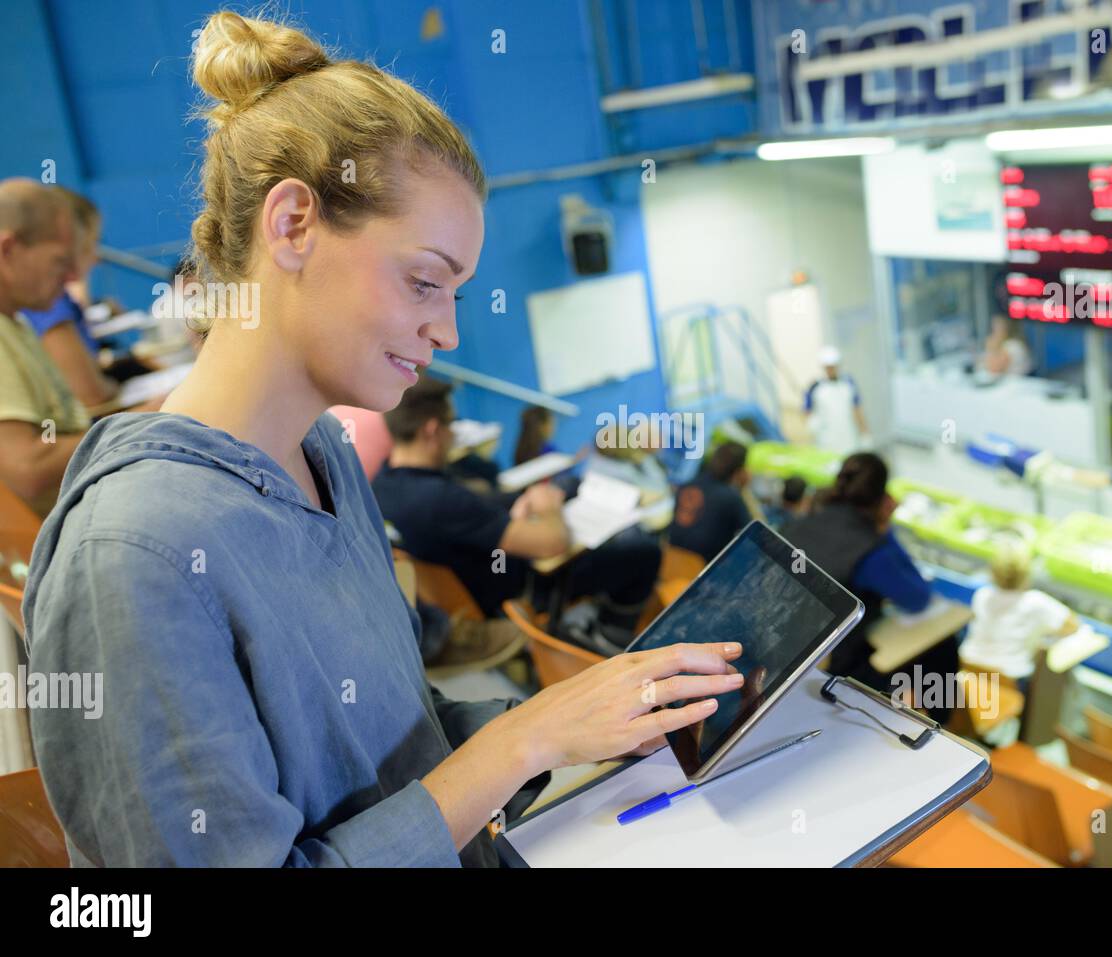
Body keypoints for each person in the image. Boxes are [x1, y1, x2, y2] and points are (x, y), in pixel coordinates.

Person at [23, 12, 743, 868]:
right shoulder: (132, 555)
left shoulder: (322, 454)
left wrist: (577, 721)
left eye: (456, 295)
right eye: (423, 281)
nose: (447, 332)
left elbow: (394, 740)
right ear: (292, 225)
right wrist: (521, 743)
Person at [373, 377, 662, 652]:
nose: (455, 435)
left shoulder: (383, 485)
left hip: (467, 586)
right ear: (432, 430)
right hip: (521, 589)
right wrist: (549, 508)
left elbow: (475, 510)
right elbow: (552, 542)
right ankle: (611, 637)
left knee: (584, 502)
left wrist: (521, 502)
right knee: (644, 551)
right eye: (452, 425)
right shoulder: (439, 499)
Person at [782, 453, 960, 723]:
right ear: (881, 496)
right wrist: (885, 529)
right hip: (833, 665)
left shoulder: (796, 525)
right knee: (943, 647)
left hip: (786, 645)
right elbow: (918, 597)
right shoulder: (870, 551)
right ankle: (940, 726)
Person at [0, 179, 90, 515]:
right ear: (8, 250)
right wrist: (140, 421)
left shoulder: (17, 323)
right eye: (59, 261)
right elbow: (26, 468)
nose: (71, 277)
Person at [20, 186, 121, 407]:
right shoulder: (46, 301)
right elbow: (90, 395)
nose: (94, 257)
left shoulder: (54, 298)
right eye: (89, 245)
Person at [959, 543, 1079, 694]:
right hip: (1009, 680)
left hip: (968, 670)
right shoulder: (1035, 602)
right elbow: (1073, 625)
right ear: (1027, 574)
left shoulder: (982, 595)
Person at [669, 441, 753, 562]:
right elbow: (754, 532)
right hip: (702, 569)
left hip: (670, 561)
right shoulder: (731, 498)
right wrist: (743, 489)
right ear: (739, 470)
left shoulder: (687, 485)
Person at [804, 345, 869, 454]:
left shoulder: (848, 383)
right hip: (826, 438)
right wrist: (812, 423)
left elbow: (857, 409)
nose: (831, 370)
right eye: (828, 367)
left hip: (848, 436)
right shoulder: (815, 386)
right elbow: (807, 409)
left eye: (833, 366)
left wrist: (865, 433)